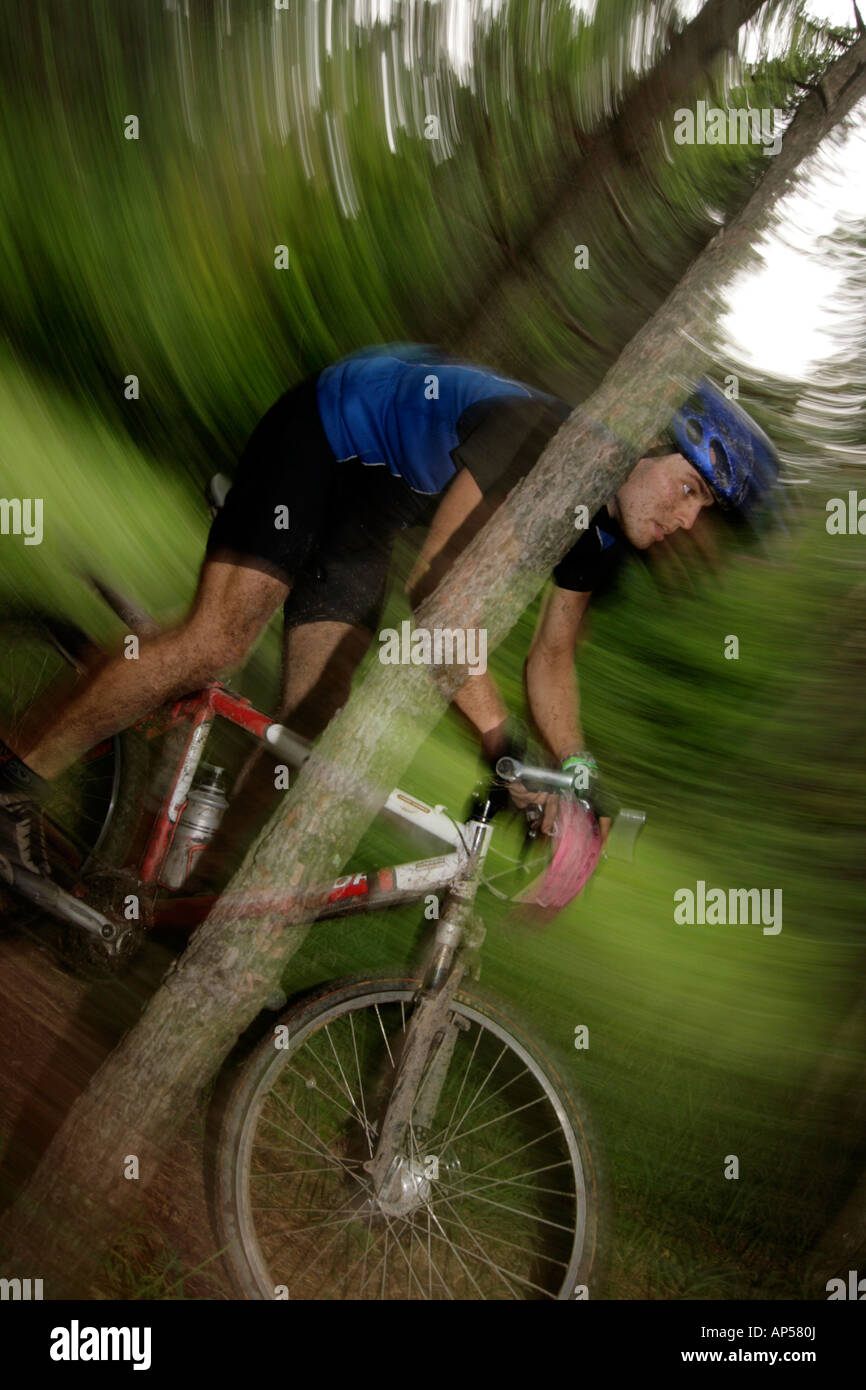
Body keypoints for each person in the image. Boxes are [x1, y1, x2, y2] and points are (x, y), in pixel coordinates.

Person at [0, 343, 779, 887]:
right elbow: (438, 596)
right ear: (649, 445)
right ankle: (11, 780)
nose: (687, 521)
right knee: (218, 638)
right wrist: (504, 752)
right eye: (689, 488)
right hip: (324, 434)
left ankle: (186, 912)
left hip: (370, 515)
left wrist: (577, 778)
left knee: (306, 739)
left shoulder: (602, 536)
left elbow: (553, 658)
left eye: (704, 509)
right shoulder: (547, 443)